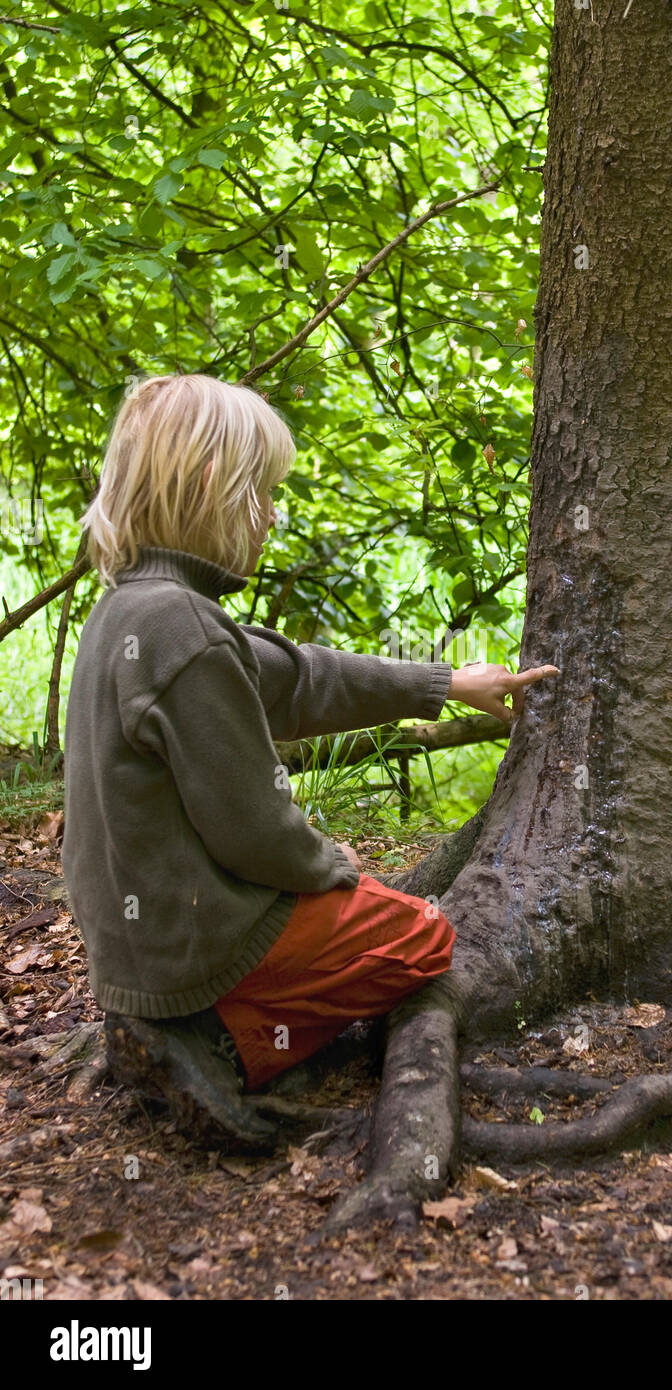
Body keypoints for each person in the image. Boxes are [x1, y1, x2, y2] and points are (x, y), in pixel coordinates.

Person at [61, 373, 559, 1125]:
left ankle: (196, 1031)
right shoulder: (185, 630)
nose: (271, 513)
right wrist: (331, 867)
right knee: (422, 939)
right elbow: (251, 827)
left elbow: (299, 679)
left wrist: (446, 682)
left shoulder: (136, 610)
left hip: (139, 946)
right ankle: (219, 1043)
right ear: (211, 487)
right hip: (198, 942)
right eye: (261, 491)